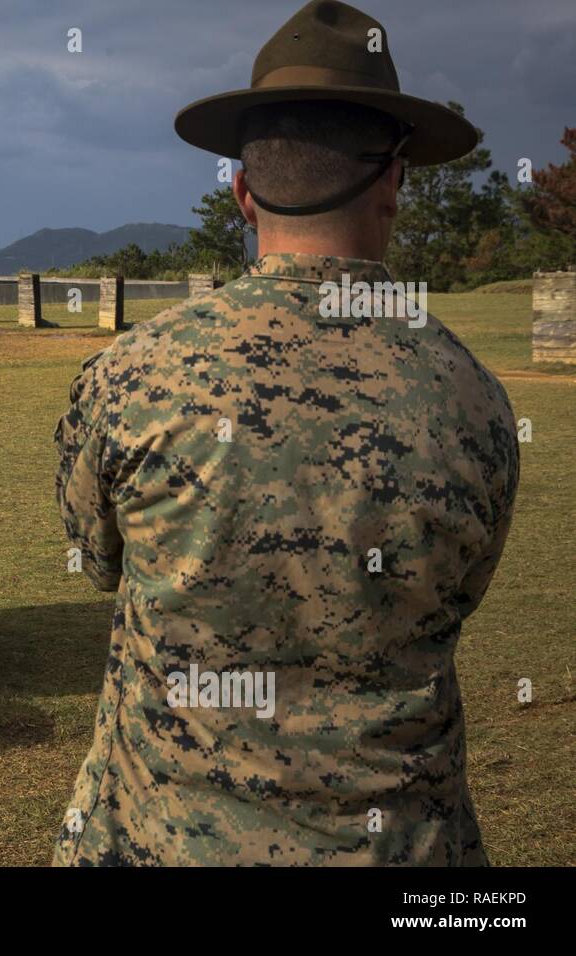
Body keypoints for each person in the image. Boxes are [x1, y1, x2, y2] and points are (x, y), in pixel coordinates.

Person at [53, 0, 519, 866]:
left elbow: (98, 560)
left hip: (160, 838)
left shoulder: (130, 376)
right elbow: (456, 594)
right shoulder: (477, 400)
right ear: (394, 181)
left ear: (242, 191)